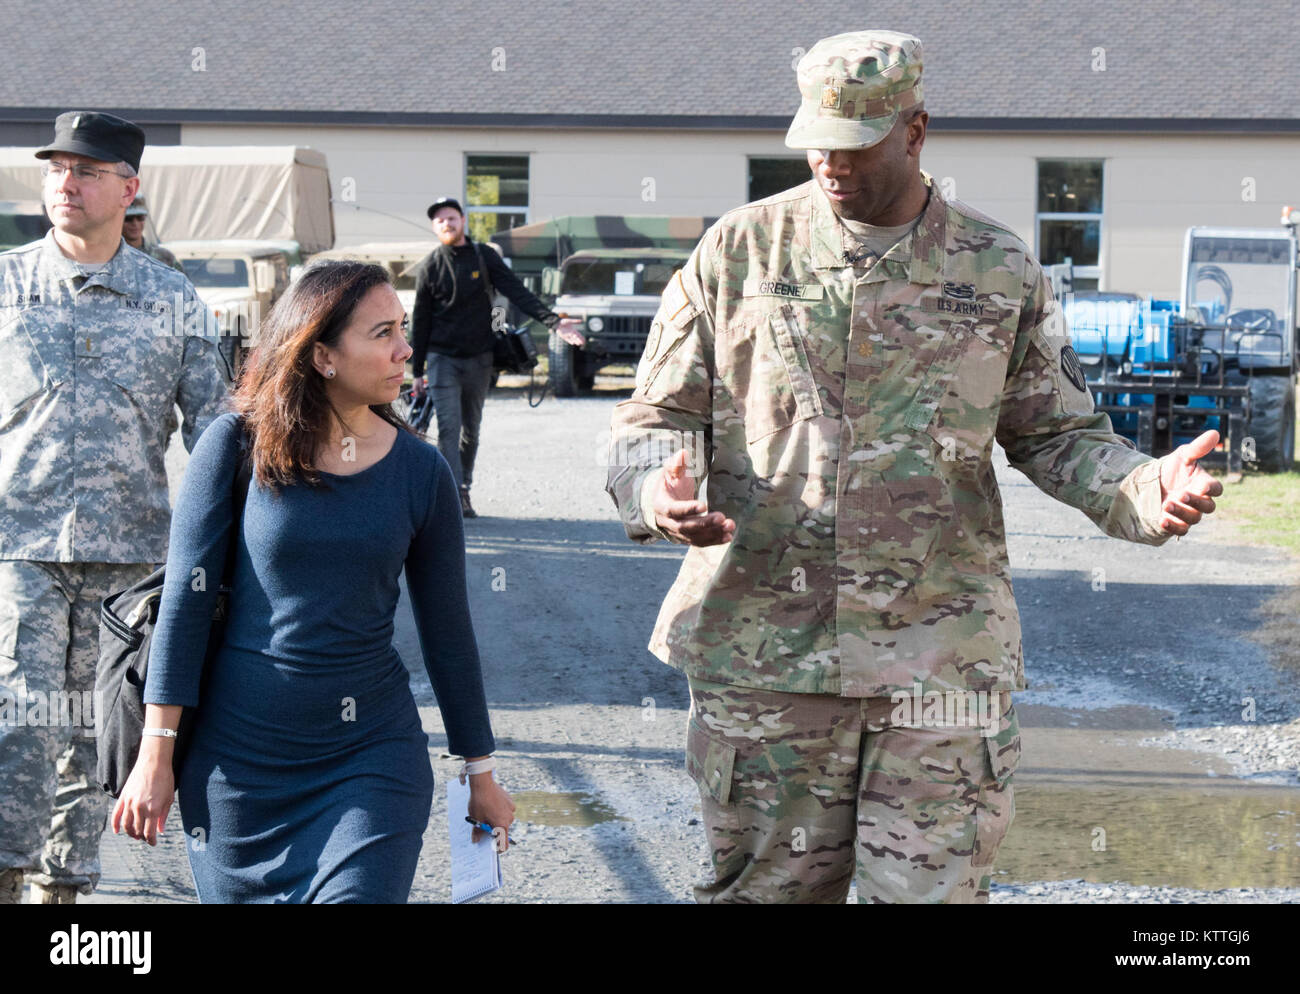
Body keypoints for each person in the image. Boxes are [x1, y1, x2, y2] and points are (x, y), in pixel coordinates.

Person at [605, 30, 1224, 904]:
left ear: (916, 130)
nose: (832, 162)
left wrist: (1140, 490)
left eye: (858, 142)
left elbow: (1058, 434)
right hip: (766, 659)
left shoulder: (999, 269)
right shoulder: (737, 254)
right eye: (816, 140)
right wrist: (656, 488)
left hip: (942, 665)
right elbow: (653, 417)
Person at [112, 260, 516, 903]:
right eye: (382, 333)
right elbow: (185, 609)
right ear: (322, 354)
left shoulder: (422, 471)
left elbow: (448, 633)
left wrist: (480, 771)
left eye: (403, 329)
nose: (405, 349)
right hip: (238, 767)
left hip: (370, 759)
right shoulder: (234, 446)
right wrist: (155, 755)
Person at [0, 111, 230, 905]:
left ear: (129, 188)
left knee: (96, 744)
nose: (67, 182)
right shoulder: (4, 285)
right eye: (57, 168)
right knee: (13, 733)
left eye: (88, 171)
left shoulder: (172, 302)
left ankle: (60, 903)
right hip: (17, 554)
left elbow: (216, 435)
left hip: (129, 570)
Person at [409, 196, 583, 517]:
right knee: (449, 426)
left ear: (463, 221)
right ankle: (448, 497)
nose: (447, 223)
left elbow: (516, 291)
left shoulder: (484, 257)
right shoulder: (431, 266)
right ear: (435, 228)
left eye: (452, 217)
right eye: (440, 220)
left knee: (470, 429)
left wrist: (554, 323)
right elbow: (420, 321)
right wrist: (416, 370)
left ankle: (464, 489)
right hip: (441, 359)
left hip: (479, 359)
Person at [122, 195, 184, 273]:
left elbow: (183, 283)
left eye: (140, 218)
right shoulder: (109, 257)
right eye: (128, 219)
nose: (135, 223)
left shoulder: (165, 257)